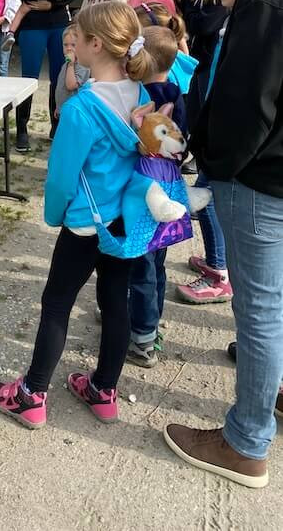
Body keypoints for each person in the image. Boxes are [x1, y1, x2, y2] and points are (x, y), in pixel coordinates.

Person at [164, 0, 283, 489]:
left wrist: (208, 161)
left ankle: (245, 443)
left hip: (263, 182)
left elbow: (247, 108)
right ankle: (276, 392)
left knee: (260, 311)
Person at [0, 2, 153, 428]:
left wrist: (53, 215)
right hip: (125, 222)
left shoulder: (80, 109)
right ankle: (104, 390)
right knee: (116, 302)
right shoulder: (142, 96)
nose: (71, 43)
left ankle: (31, 394)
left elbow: (61, 178)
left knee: (57, 302)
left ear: (95, 45)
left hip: (83, 223)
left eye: (76, 38)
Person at [176, 0, 244, 306]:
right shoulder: (231, 21)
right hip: (211, 123)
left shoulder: (243, 23)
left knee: (206, 198)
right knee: (205, 195)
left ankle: (220, 273)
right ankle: (218, 262)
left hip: (224, 134)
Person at [126, 26, 186, 368]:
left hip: (143, 190)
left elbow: (131, 139)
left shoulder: (139, 95)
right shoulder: (177, 93)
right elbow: (184, 139)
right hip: (170, 184)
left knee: (141, 264)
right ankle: (152, 324)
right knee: (157, 262)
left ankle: (143, 336)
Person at [10, 0, 76, 151]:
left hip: (58, 23)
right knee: (29, 78)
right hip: (32, 26)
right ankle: (22, 128)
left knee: (60, 77)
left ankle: (56, 125)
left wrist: (50, 3)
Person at [178, 0, 238, 130]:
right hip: (197, 60)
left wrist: (186, 3)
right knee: (192, 115)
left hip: (212, 61)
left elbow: (204, 25)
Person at [54, 24, 90, 117]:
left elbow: (71, 85)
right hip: (64, 109)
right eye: (65, 45)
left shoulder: (82, 65)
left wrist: (70, 65)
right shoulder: (66, 64)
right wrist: (58, 107)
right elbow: (61, 87)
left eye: (73, 45)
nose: (68, 48)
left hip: (74, 111)